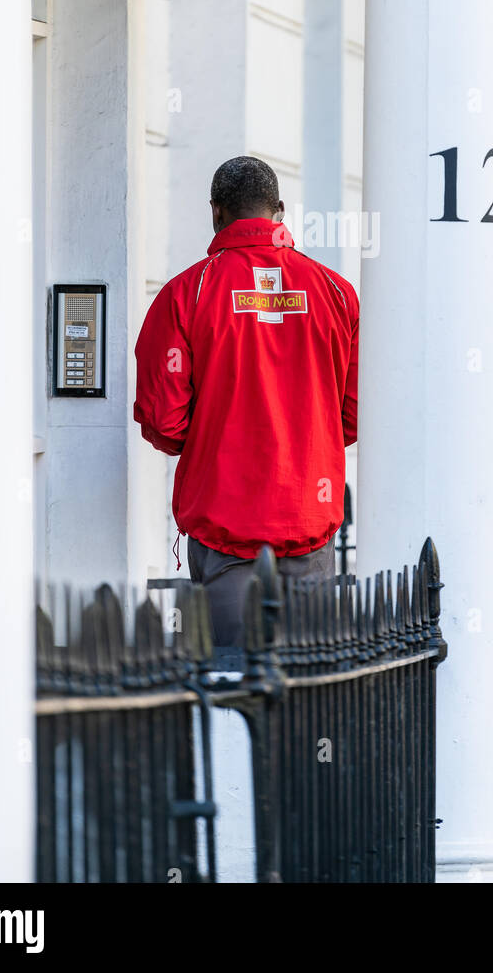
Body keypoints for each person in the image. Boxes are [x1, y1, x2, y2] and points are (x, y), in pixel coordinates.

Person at [133, 155, 359, 646]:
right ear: (280, 211)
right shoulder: (337, 294)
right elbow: (356, 412)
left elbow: (164, 423)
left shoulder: (183, 295)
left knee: (234, 692)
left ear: (216, 213)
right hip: (309, 524)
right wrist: (307, 441)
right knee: (312, 691)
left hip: (225, 531)